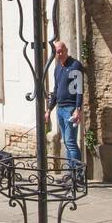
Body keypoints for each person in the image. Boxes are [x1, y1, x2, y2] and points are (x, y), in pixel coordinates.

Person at [45, 40, 85, 181]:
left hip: (70, 109)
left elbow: (79, 90)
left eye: (62, 51)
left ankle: (78, 176)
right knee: (67, 143)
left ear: (66, 50)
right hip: (60, 109)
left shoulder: (75, 65)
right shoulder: (57, 68)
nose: (60, 53)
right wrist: (49, 110)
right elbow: (56, 91)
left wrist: (78, 109)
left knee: (71, 142)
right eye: (57, 52)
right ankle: (70, 174)